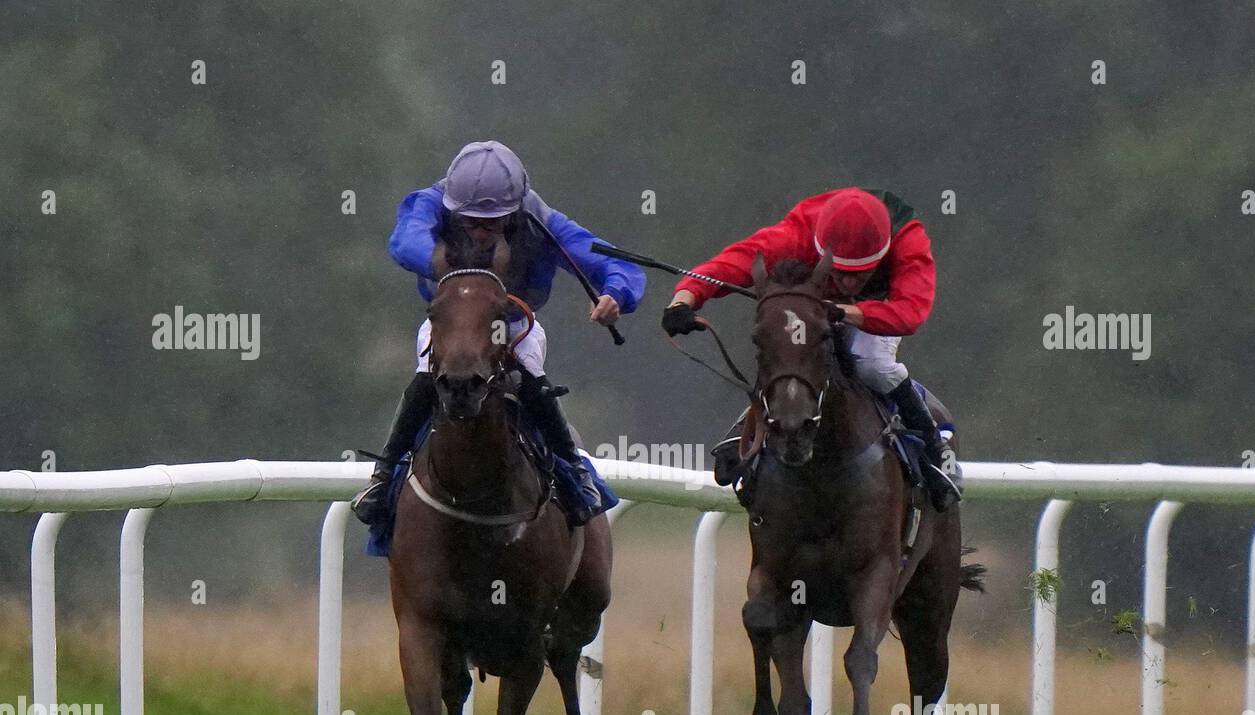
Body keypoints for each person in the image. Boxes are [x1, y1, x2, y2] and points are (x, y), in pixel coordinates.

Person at [351, 140, 646, 527]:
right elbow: (404, 240)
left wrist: (615, 293)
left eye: (492, 222)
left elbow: (606, 259)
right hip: (451, 322)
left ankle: (574, 470)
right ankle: (383, 476)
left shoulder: (543, 220)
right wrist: (440, 262)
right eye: (469, 221)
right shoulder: (429, 203)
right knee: (426, 376)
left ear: (514, 211)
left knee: (530, 377)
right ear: (453, 208)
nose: (480, 232)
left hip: (512, 322)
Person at [661, 187, 961, 510]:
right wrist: (685, 298)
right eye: (840, 272)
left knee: (871, 363)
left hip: (879, 309)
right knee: (791, 349)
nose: (847, 284)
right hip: (817, 304)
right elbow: (734, 262)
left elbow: (910, 312)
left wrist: (847, 311)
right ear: (820, 249)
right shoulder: (798, 234)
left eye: (858, 273)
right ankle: (747, 431)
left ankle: (934, 447)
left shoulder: (908, 241)